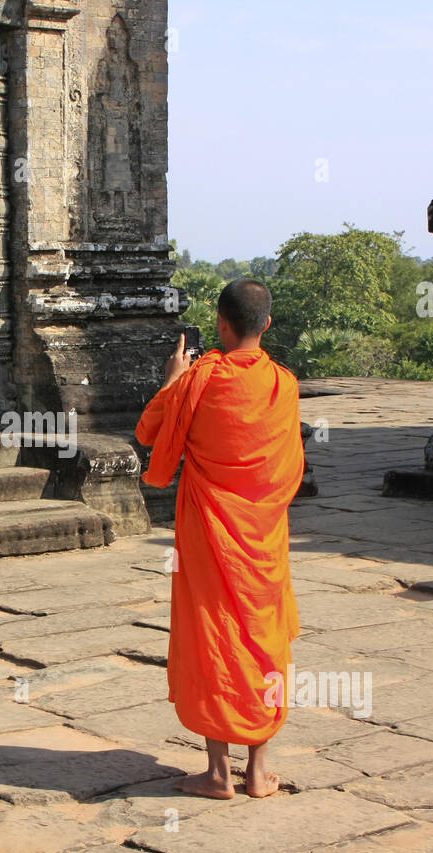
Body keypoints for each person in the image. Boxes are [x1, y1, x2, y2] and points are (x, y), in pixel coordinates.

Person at [135, 279, 304, 799]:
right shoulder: (284, 384)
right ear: (267, 325)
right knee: (261, 638)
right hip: (263, 538)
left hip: (210, 536)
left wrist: (171, 381)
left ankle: (217, 773)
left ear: (220, 325)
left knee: (213, 637)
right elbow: (289, 470)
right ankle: (257, 771)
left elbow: (149, 436)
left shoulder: (199, 379)